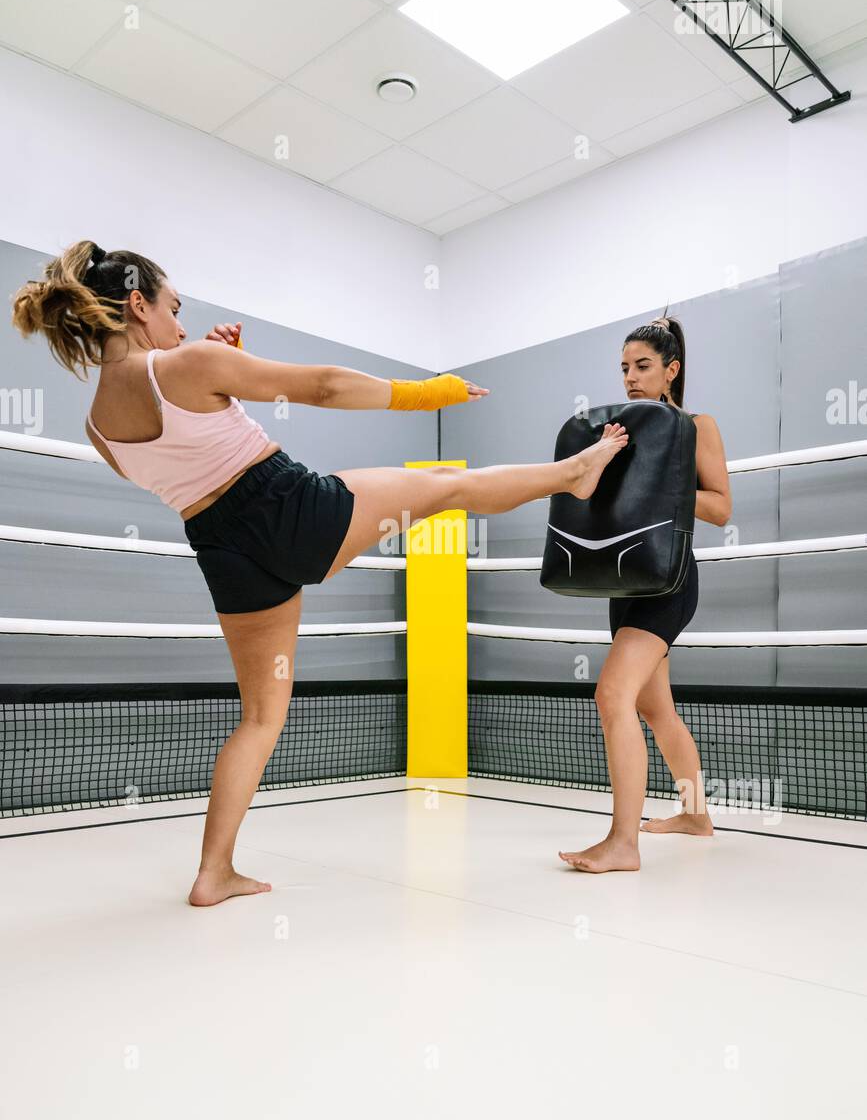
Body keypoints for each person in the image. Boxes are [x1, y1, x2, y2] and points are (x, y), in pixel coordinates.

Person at [12, 240, 629, 906]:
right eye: (173, 308)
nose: (181, 325)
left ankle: (213, 872)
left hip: (226, 551)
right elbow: (323, 387)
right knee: (449, 484)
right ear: (137, 304)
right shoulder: (187, 362)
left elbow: (194, 460)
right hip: (290, 510)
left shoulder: (98, 428)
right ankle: (574, 473)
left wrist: (227, 369)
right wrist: (425, 394)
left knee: (259, 718)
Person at [559, 315, 732, 873]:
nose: (631, 378)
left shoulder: (696, 426)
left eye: (643, 367)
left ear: (671, 370)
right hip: (625, 580)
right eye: (625, 368)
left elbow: (720, 507)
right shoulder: (623, 428)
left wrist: (667, 482)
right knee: (656, 709)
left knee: (611, 695)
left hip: (670, 581)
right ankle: (696, 813)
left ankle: (622, 843)